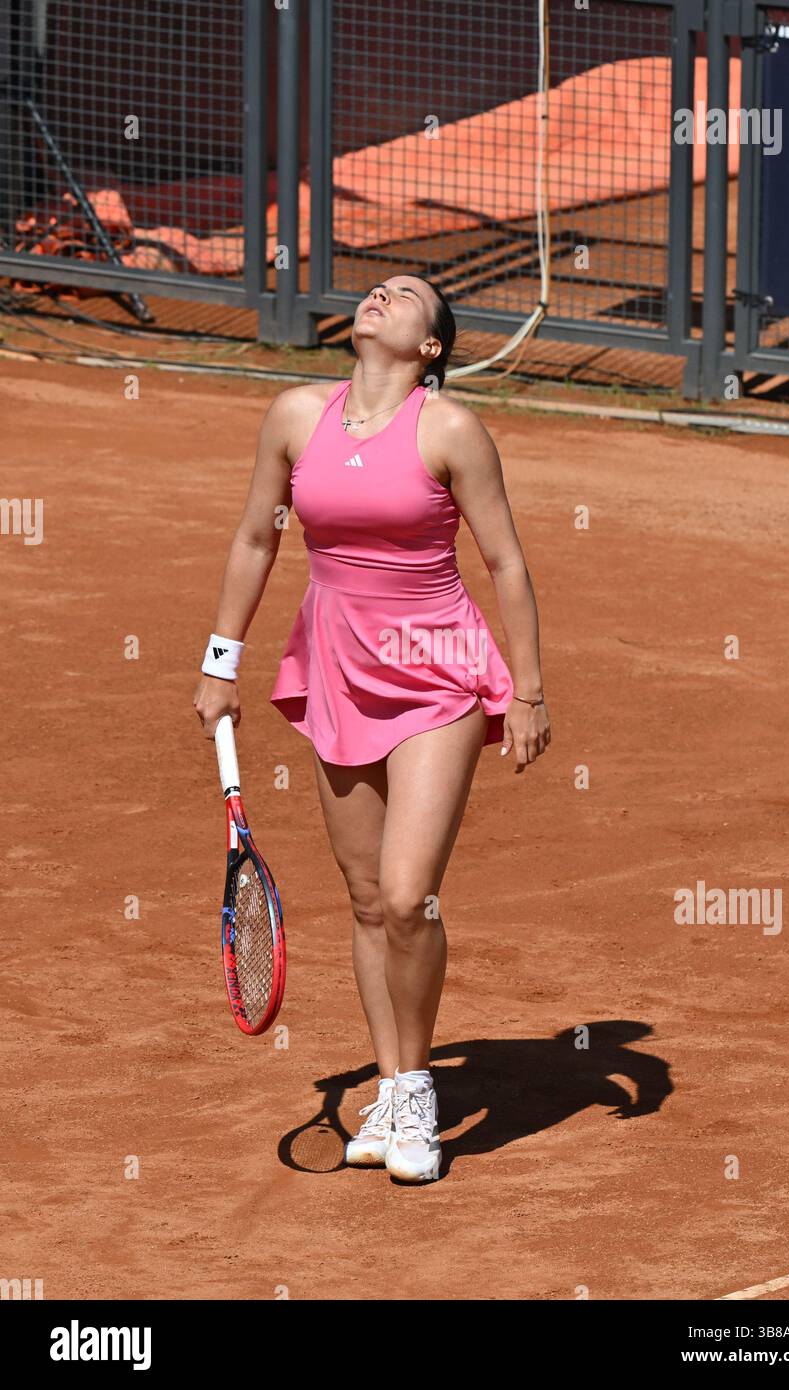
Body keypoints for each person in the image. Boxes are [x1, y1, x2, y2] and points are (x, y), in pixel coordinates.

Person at [194, 275, 549, 1182]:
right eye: (378, 289)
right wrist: (220, 663)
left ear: (431, 345)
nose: (382, 296)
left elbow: (505, 559)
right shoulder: (294, 414)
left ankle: (419, 1092)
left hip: (439, 678)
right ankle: (392, 1088)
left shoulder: (451, 429)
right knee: (362, 899)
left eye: (407, 296)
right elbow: (254, 540)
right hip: (336, 671)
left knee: (404, 896)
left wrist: (529, 692)